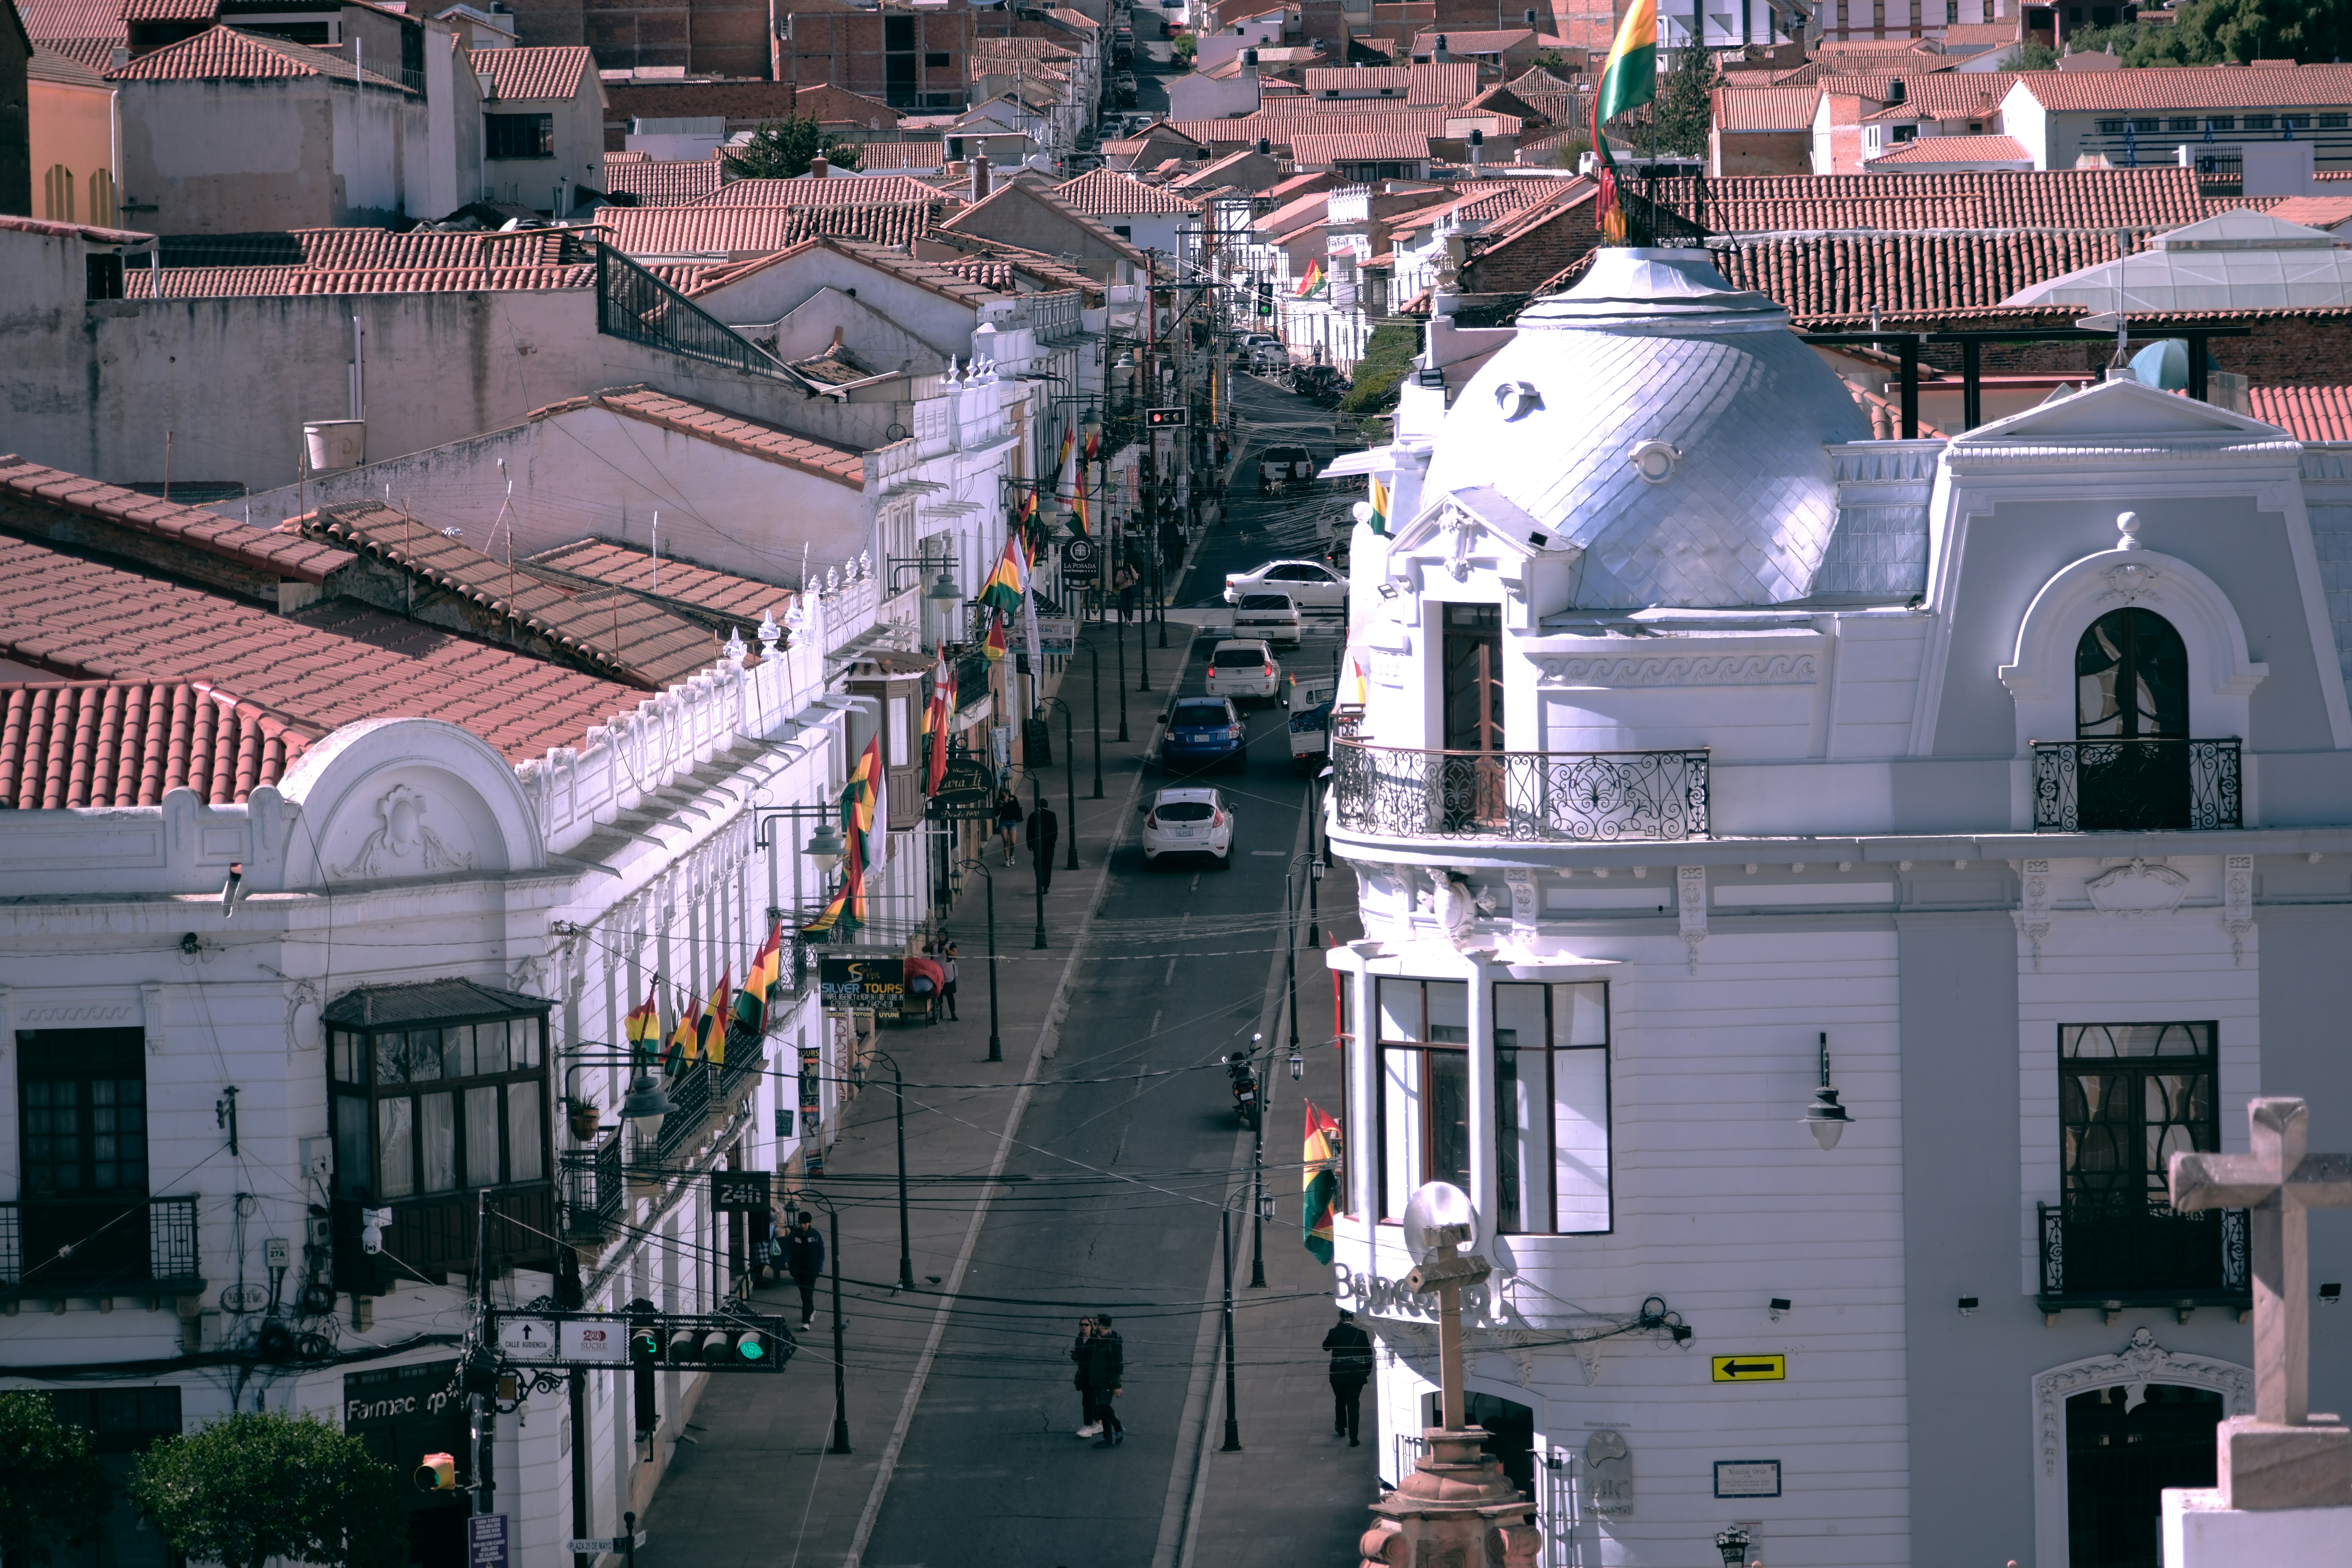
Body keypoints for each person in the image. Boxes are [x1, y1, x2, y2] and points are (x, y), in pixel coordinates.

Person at [1323, 1308, 1373, 1445]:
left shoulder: (1334, 1332)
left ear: (1340, 1318)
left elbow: (1325, 1347)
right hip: (1356, 1375)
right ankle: (1354, 1438)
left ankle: (1341, 1427)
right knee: (1353, 1404)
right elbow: (1368, 1354)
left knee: (1340, 1401)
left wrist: (1336, 1330)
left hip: (1338, 1374)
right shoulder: (1361, 1334)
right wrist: (1367, 1370)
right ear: (1354, 1318)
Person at [1081, 1313, 1125, 1447]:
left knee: (1105, 1407)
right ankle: (1107, 1439)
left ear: (1102, 1326)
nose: (1094, 1325)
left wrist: (1117, 1385)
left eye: (1096, 1323)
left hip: (1108, 1381)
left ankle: (1119, 1428)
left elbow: (1118, 1365)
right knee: (1102, 1408)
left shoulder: (1114, 1342)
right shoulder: (1097, 1338)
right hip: (1096, 1380)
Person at [783, 1210, 825, 1331]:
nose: (802, 1226)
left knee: (807, 1294)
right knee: (804, 1294)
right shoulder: (795, 1235)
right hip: (797, 1269)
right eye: (801, 1223)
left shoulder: (817, 1235)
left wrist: (820, 1269)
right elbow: (788, 1249)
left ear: (810, 1223)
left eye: (805, 1223)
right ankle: (811, 1310)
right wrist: (787, 1260)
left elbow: (822, 1253)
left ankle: (806, 1322)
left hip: (812, 1270)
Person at [1070, 1317, 1101, 1438]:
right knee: (1090, 1399)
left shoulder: (1096, 1340)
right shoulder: (1079, 1339)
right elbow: (1080, 1355)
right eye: (1082, 1325)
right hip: (1083, 1374)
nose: (1084, 1327)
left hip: (1094, 1375)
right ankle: (1100, 1423)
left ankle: (1088, 1427)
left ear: (1092, 1327)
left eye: (1087, 1325)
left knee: (1088, 1400)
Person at [1025, 801, 1059, 893]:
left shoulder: (1033, 815)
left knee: (1037, 863)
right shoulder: (1052, 815)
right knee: (1048, 865)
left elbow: (1029, 831)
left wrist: (1029, 844)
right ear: (1047, 806)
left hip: (1037, 845)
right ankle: (1046, 886)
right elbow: (1055, 830)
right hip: (1049, 845)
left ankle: (1040, 879)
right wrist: (1053, 841)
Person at [994, 786, 1024, 866]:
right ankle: (1007, 860)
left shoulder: (1013, 799)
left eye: (1005, 791)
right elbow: (996, 814)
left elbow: (1018, 810)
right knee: (1006, 842)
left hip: (1013, 822)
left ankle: (1012, 855)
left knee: (1013, 843)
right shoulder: (999, 801)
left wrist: (1012, 802)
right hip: (1003, 823)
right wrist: (999, 807)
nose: (1004, 793)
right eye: (1002, 792)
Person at [940, 941, 961, 1021]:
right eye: (939, 935)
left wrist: (947, 951)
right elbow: (924, 950)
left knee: (950, 995)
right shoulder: (935, 945)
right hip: (938, 972)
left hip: (949, 972)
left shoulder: (951, 945)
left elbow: (955, 956)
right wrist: (931, 945)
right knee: (939, 995)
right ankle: (939, 1013)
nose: (941, 938)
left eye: (942, 936)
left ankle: (953, 1014)